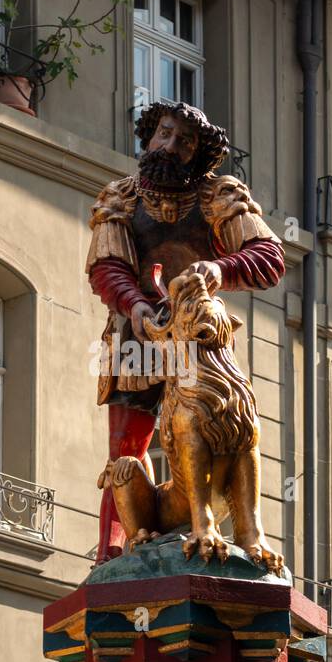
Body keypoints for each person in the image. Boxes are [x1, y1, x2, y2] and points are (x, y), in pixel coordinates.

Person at [86, 100, 287, 561]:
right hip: (135, 339)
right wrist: (134, 305)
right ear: (150, 136)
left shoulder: (217, 196)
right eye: (165, 133)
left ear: (198, 153)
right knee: (126, 449)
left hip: (197, 334)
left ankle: (238, 532)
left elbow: (268, 256)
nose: (170, 145)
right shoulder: (120, 197)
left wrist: (219, 269)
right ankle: (113, 551)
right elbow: (107, 267)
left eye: (183, 141)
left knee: (224, 431)